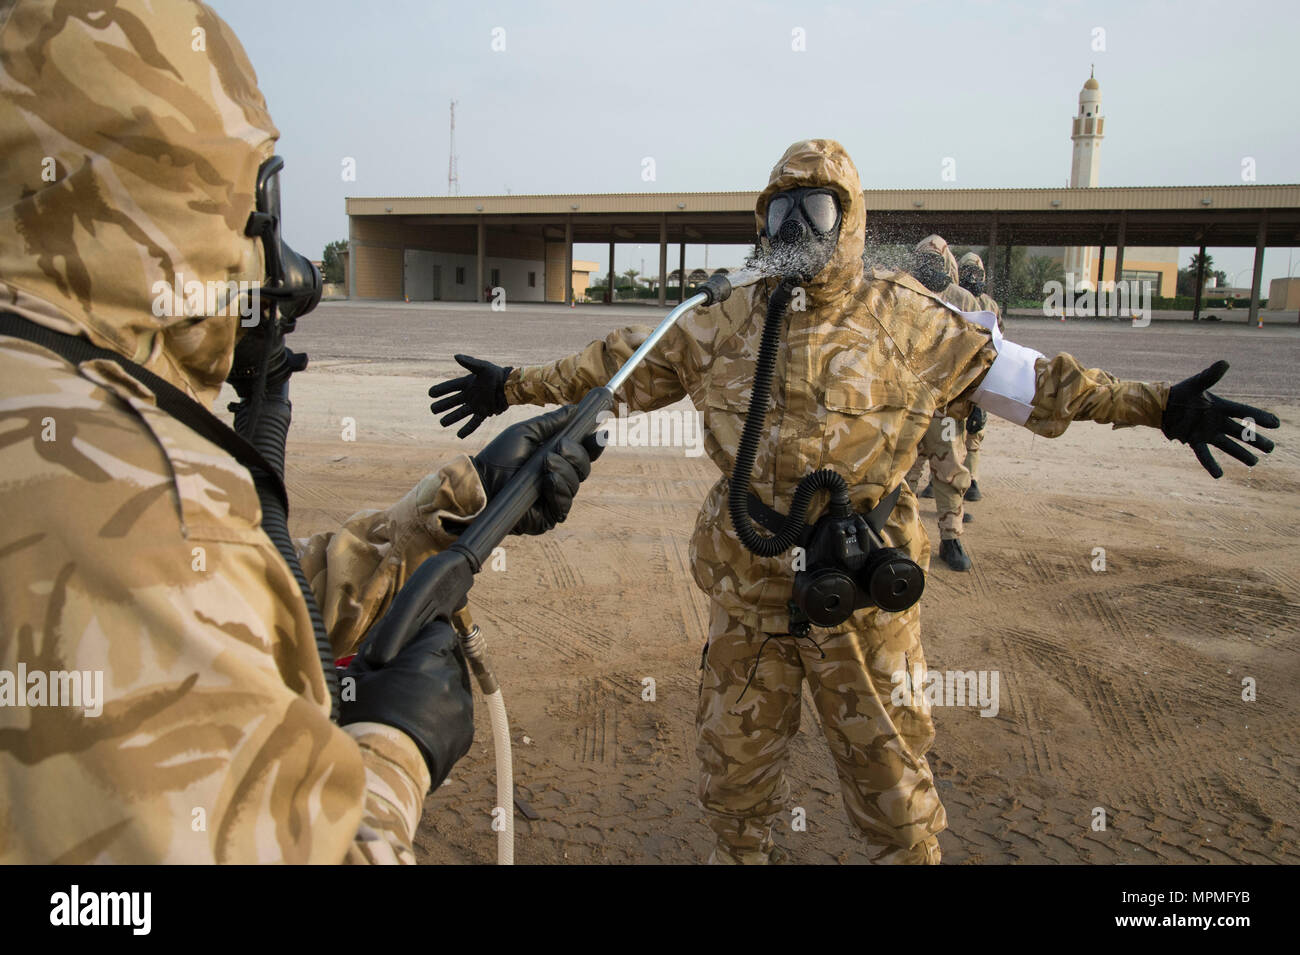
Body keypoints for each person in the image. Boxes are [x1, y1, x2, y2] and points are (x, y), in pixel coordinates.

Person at [428, 138, 1278, 865]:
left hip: (864, 605)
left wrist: (1164, 407)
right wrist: (511, 386)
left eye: (818, 210)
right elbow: (611, 365)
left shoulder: (911, 320)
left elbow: (1040, 384)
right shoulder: (717, 321)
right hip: (750, 604)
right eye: (781, 208)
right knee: (733, 793)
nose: (796, 229)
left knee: (897, 805)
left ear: (854, 219)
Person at [0, 0, 598, 864]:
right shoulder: (108, 482)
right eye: (252, 205)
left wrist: (463, 498)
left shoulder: (61, 414)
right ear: (178, 204)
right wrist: (396, 746)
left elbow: (229, 590)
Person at [903, 236, 978, 570]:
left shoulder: (963, 300)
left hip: (947, 406)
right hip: (909, 403)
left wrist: (979, 405)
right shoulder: (904, 293)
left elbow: (983, 354)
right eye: (924, 260)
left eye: (937, 260)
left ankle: (951, 538)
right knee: (901, 473)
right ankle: (900, 538)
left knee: (949, 473)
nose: (929, 266)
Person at [956, 251, 1001, 502]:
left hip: (979, 375)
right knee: (950, 431)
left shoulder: (988, 305)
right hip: (963, 375)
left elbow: (998, 343)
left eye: (976, 273)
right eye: (968, 273)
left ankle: (972, 479)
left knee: (974, 429)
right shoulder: (960, 298)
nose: (972, 278)